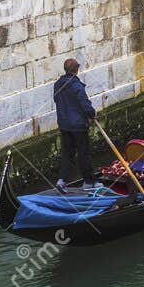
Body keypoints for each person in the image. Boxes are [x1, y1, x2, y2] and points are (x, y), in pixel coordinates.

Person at [53, 57, 97, 190]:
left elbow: (57, 100)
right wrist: (92, 114)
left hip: (64, 125)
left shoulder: (57, 84)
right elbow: (85, 105)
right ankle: (89, 182)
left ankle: (61, 180)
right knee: (83, 153)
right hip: (78, 126)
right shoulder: (77, 86)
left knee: (67, 153)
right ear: (76, 70)